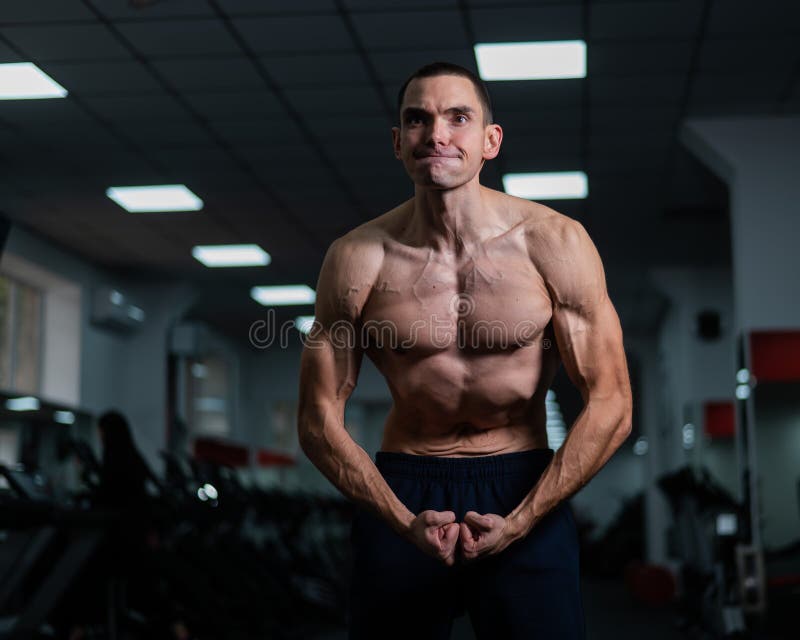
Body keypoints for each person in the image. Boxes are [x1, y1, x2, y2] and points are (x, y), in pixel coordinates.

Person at [297, 61, 632, 639]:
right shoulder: (356, 258)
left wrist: (524, 519)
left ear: (489, 140)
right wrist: (401, 522)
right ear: (398, 142)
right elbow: (316, 417)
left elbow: (612, 403)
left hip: (523, 481)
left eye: (458, 117)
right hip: (404, 485)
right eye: (418, 120)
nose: (437, 135)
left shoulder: (554, 243)